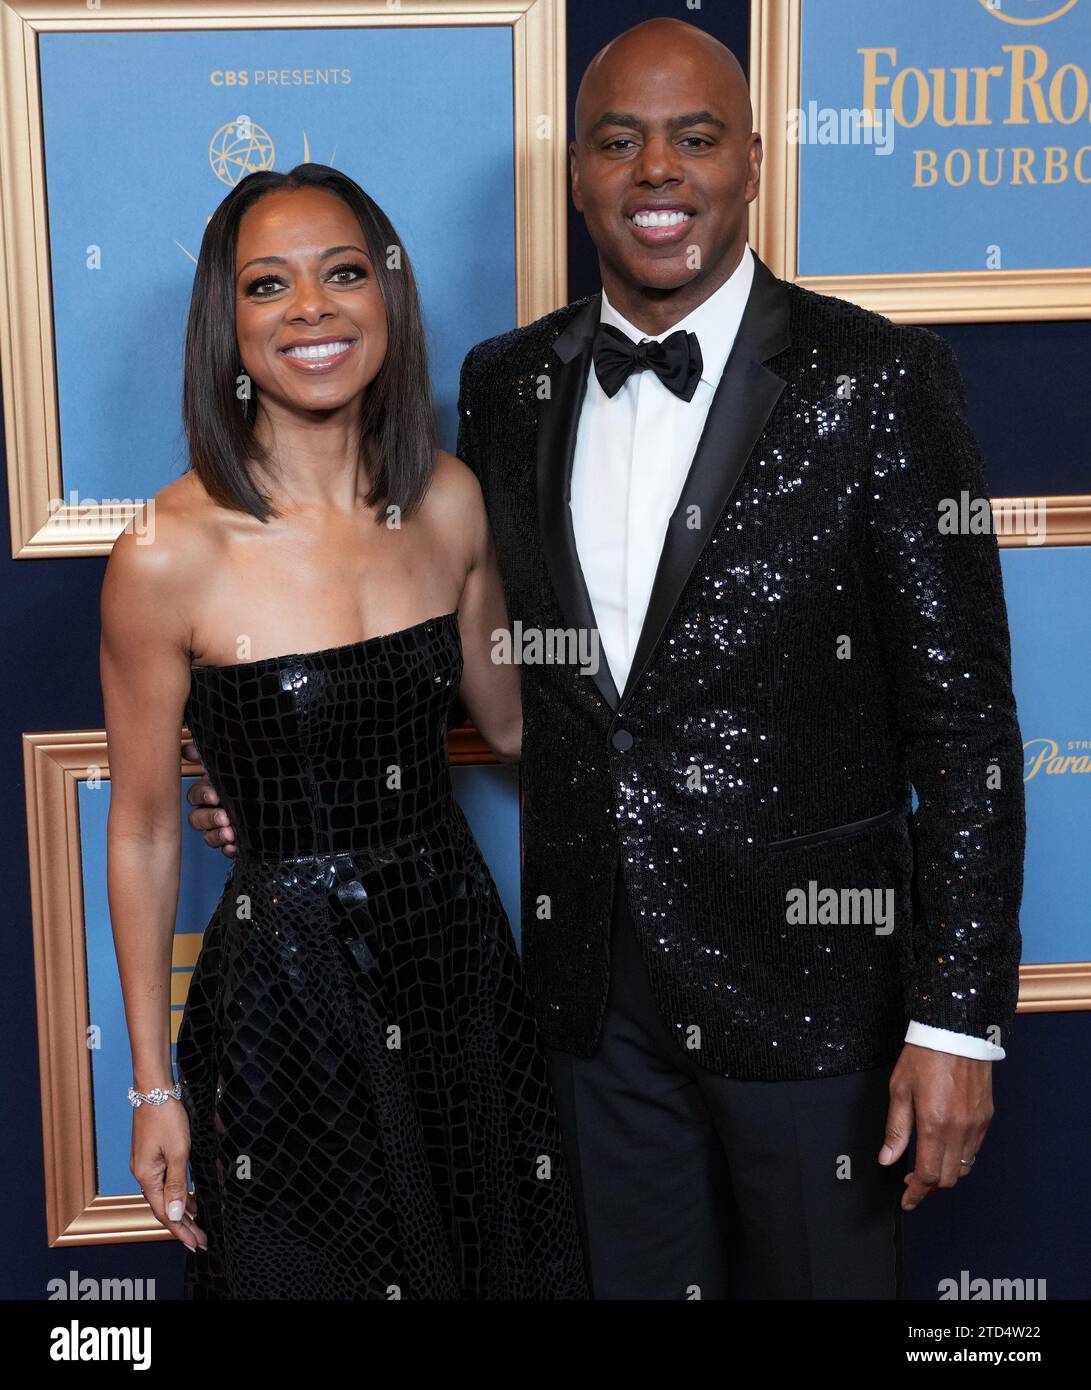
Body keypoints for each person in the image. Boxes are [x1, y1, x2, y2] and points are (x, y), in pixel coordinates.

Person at [189, 21, 1026, 1300]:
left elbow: (964, 732)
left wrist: (953, 1016)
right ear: (573, 173)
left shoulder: (880, 380)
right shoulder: (507, 382)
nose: (656, 172)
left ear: (751, 162)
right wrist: (285, 769)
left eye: (694, 139)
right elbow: (467, 658)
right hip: (584, 1007)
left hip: (811, 998)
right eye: (618, 141)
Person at [103, 163, 589, 1299]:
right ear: (226, 325)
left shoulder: (452, 501)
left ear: (389, 297)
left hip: (457, 967)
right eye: (269, 286)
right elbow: (138, 833)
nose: (312, 309)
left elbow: (515, 724)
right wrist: (150, 1089)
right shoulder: (167, 552)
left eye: (343, 273)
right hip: (284, 1006)